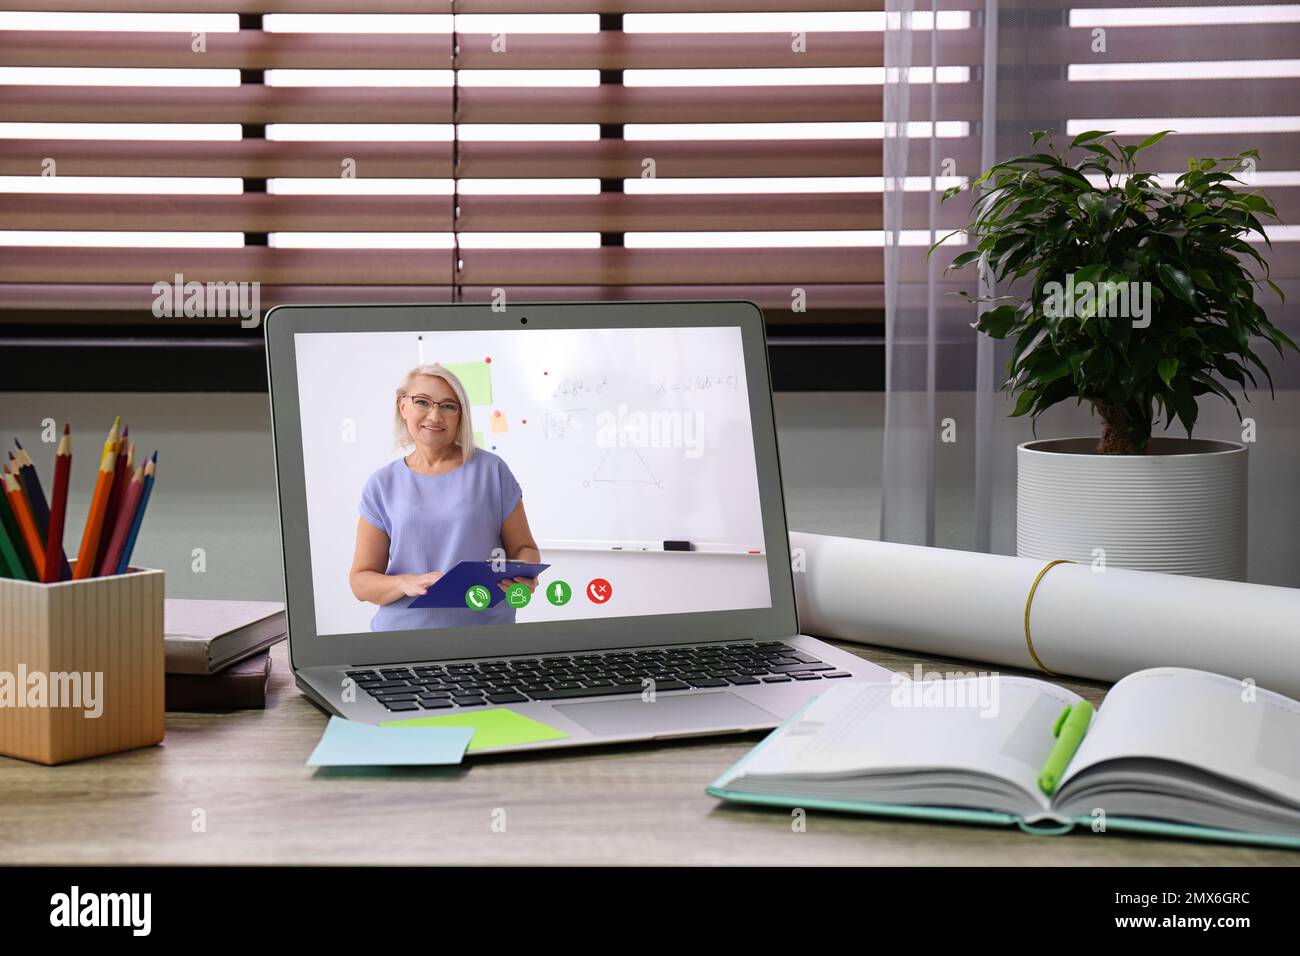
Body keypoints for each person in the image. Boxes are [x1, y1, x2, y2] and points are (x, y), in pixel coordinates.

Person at [349, 363, 540, 631]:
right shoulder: (382, 484)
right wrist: (404, 582)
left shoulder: (492, 470)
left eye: (448, 406)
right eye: (422, 402)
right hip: (401, 641)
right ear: (402, 406)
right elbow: (361, 581)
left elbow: (525, 549)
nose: (435, 415)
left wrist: (524, 573)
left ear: (461, 416)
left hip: (487, 637)